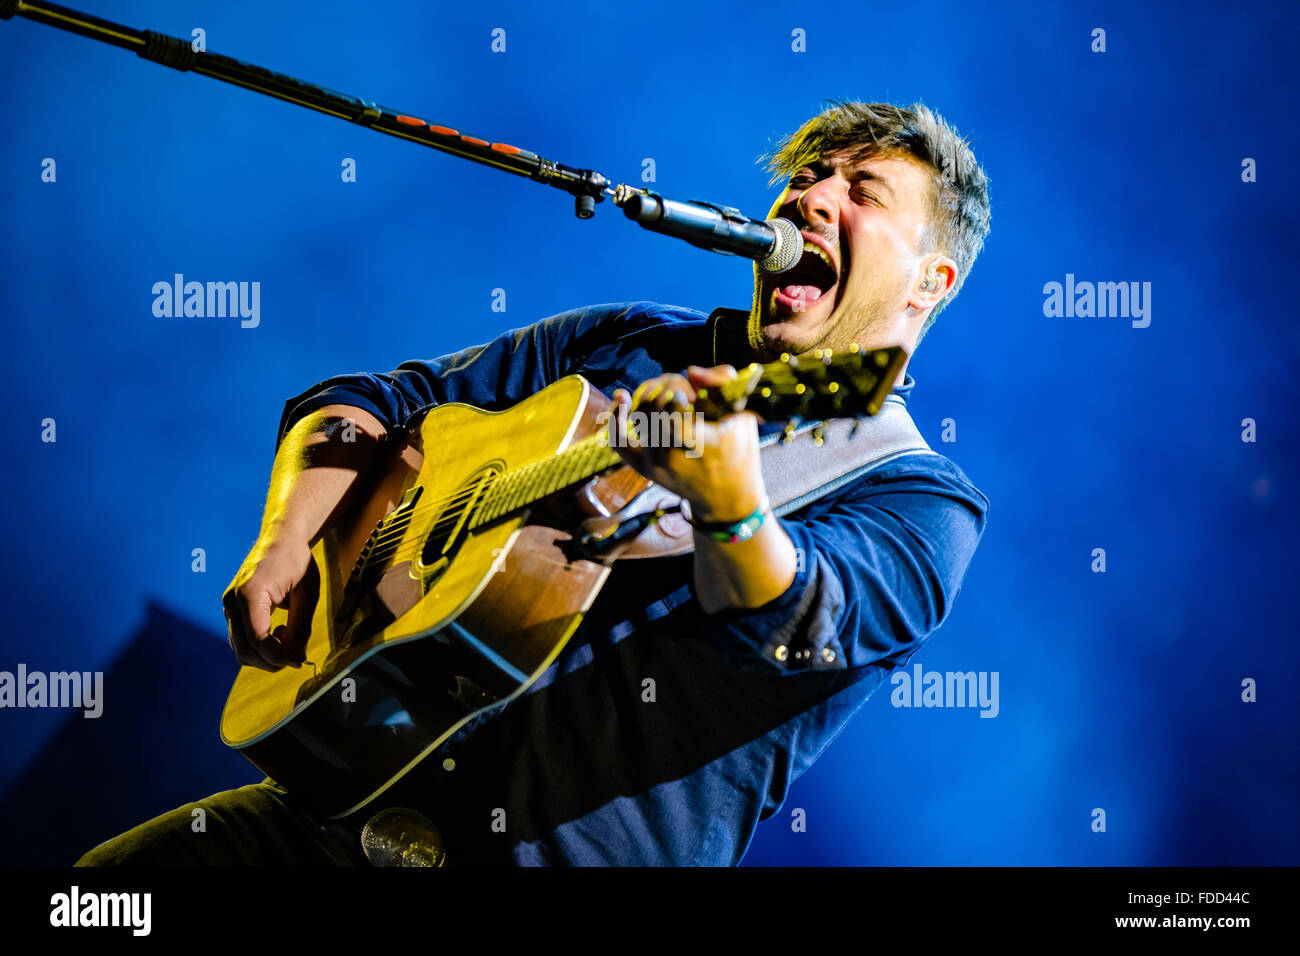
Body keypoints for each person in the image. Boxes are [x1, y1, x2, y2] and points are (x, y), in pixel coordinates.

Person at [77, 100, 992, 866]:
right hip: (325, 824)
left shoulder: (916, 497)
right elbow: (373, 402)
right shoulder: (624, 342)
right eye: (806, 176)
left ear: (930, 280)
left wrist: (732, 502)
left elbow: (790, 625)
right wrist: (287, 542)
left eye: (861, 191)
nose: (810, 199)